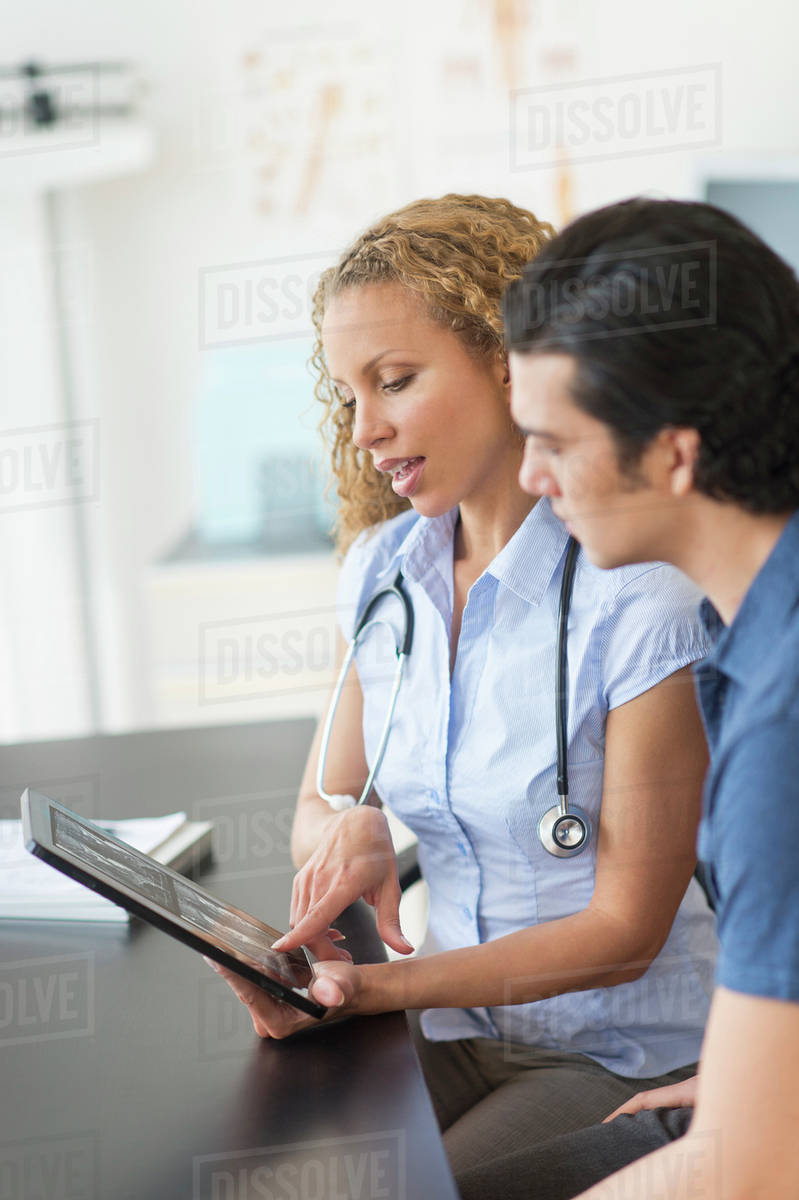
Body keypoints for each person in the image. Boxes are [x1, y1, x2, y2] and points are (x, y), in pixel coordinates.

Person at [206, 194, 717, 1183]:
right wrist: (347, 834)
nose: (365, 428)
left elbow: (622, 934)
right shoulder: (384, 571)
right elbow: (323, 799)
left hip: (615, 1050)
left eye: (394, 381)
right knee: (258, 1171)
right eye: (349, 393)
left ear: (510, 357)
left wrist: (378, 989)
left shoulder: (641, 593)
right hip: (446, 1025)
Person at [460, 195, 799, 1199]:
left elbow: (751, 1172)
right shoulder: (752, 629)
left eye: (554, 442)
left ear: (671, 453)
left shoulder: (780, 712)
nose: (530, 476)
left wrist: (746, 1114)